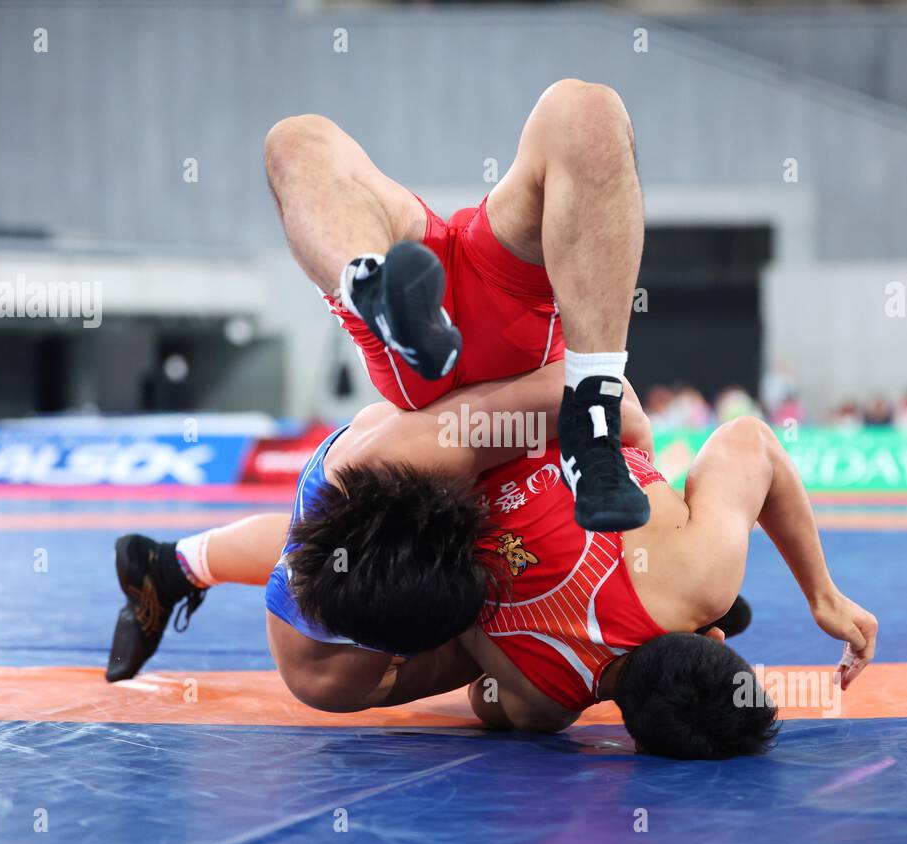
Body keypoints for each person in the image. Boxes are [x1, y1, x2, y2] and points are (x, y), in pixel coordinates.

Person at [110, 401, 877, 759]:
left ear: (711, 636)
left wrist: (824, 596)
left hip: (453, 431)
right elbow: (483, 692)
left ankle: (176, 565)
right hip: (385, 488)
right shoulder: (546, 708)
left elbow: (749, 440)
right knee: (330, 677)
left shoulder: (705, 571)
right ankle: (181, 564)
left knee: (623, 428)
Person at [264, 78, 650, 533]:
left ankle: (374, 287)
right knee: (588, 110)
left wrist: (186, 562)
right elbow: (636, 421)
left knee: (295, 139)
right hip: (517, 320)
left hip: (419, 358)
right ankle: (591, 408)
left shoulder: (378, 473)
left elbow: (279, 547)